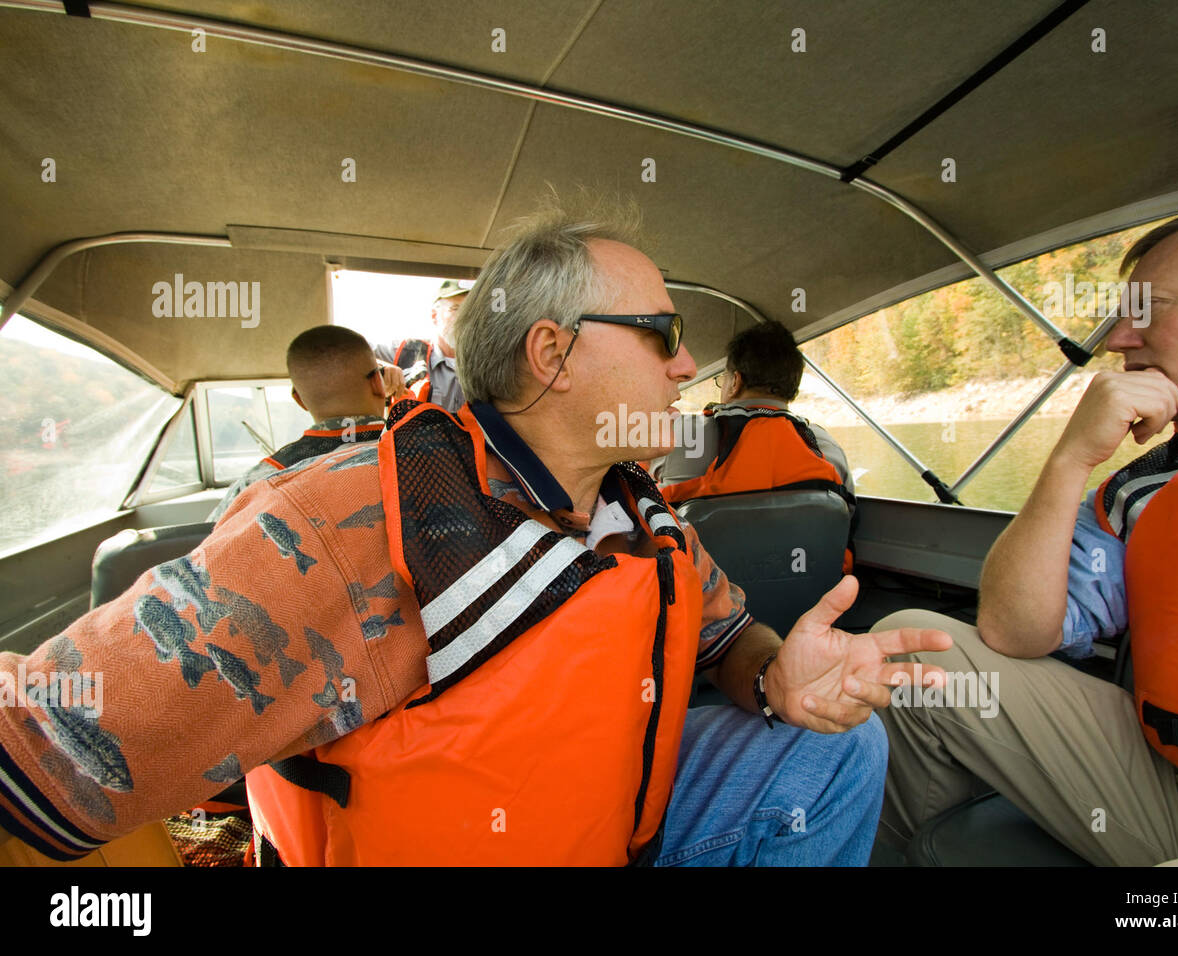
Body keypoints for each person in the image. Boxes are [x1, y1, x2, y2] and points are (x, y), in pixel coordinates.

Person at [0, 203, 950, 866]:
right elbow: (37, 745)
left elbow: (728, 637)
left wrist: (776, 675)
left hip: (624, 825)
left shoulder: (644, 511)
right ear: (553, 354)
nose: (689, 365)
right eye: (662, 333)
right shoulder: (349, 525)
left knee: (844, 746)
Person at [873, 197, 1178, 865]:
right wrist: (1071, 458)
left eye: (1149, 310)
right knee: (916, 656)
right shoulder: (1152, 485)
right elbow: (1015, 632)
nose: (1117, 339)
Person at [208, 325, 399, 521]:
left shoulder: (260, 481)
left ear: (299, 400)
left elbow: (207, 541)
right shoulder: (420, 453)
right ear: (378, 383)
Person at [653, 321, 853, 502]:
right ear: (793, 388)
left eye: (723, 379)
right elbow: (847, 514)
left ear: (735, 382)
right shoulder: (826, 446)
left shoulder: (682, 432)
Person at [373, 278, 468, 410]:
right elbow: (352, 352)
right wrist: (381, 366)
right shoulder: (405, 352)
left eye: (471, 311)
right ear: (435, 316)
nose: (465, 317)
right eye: (456, 309)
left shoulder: (488, 366)